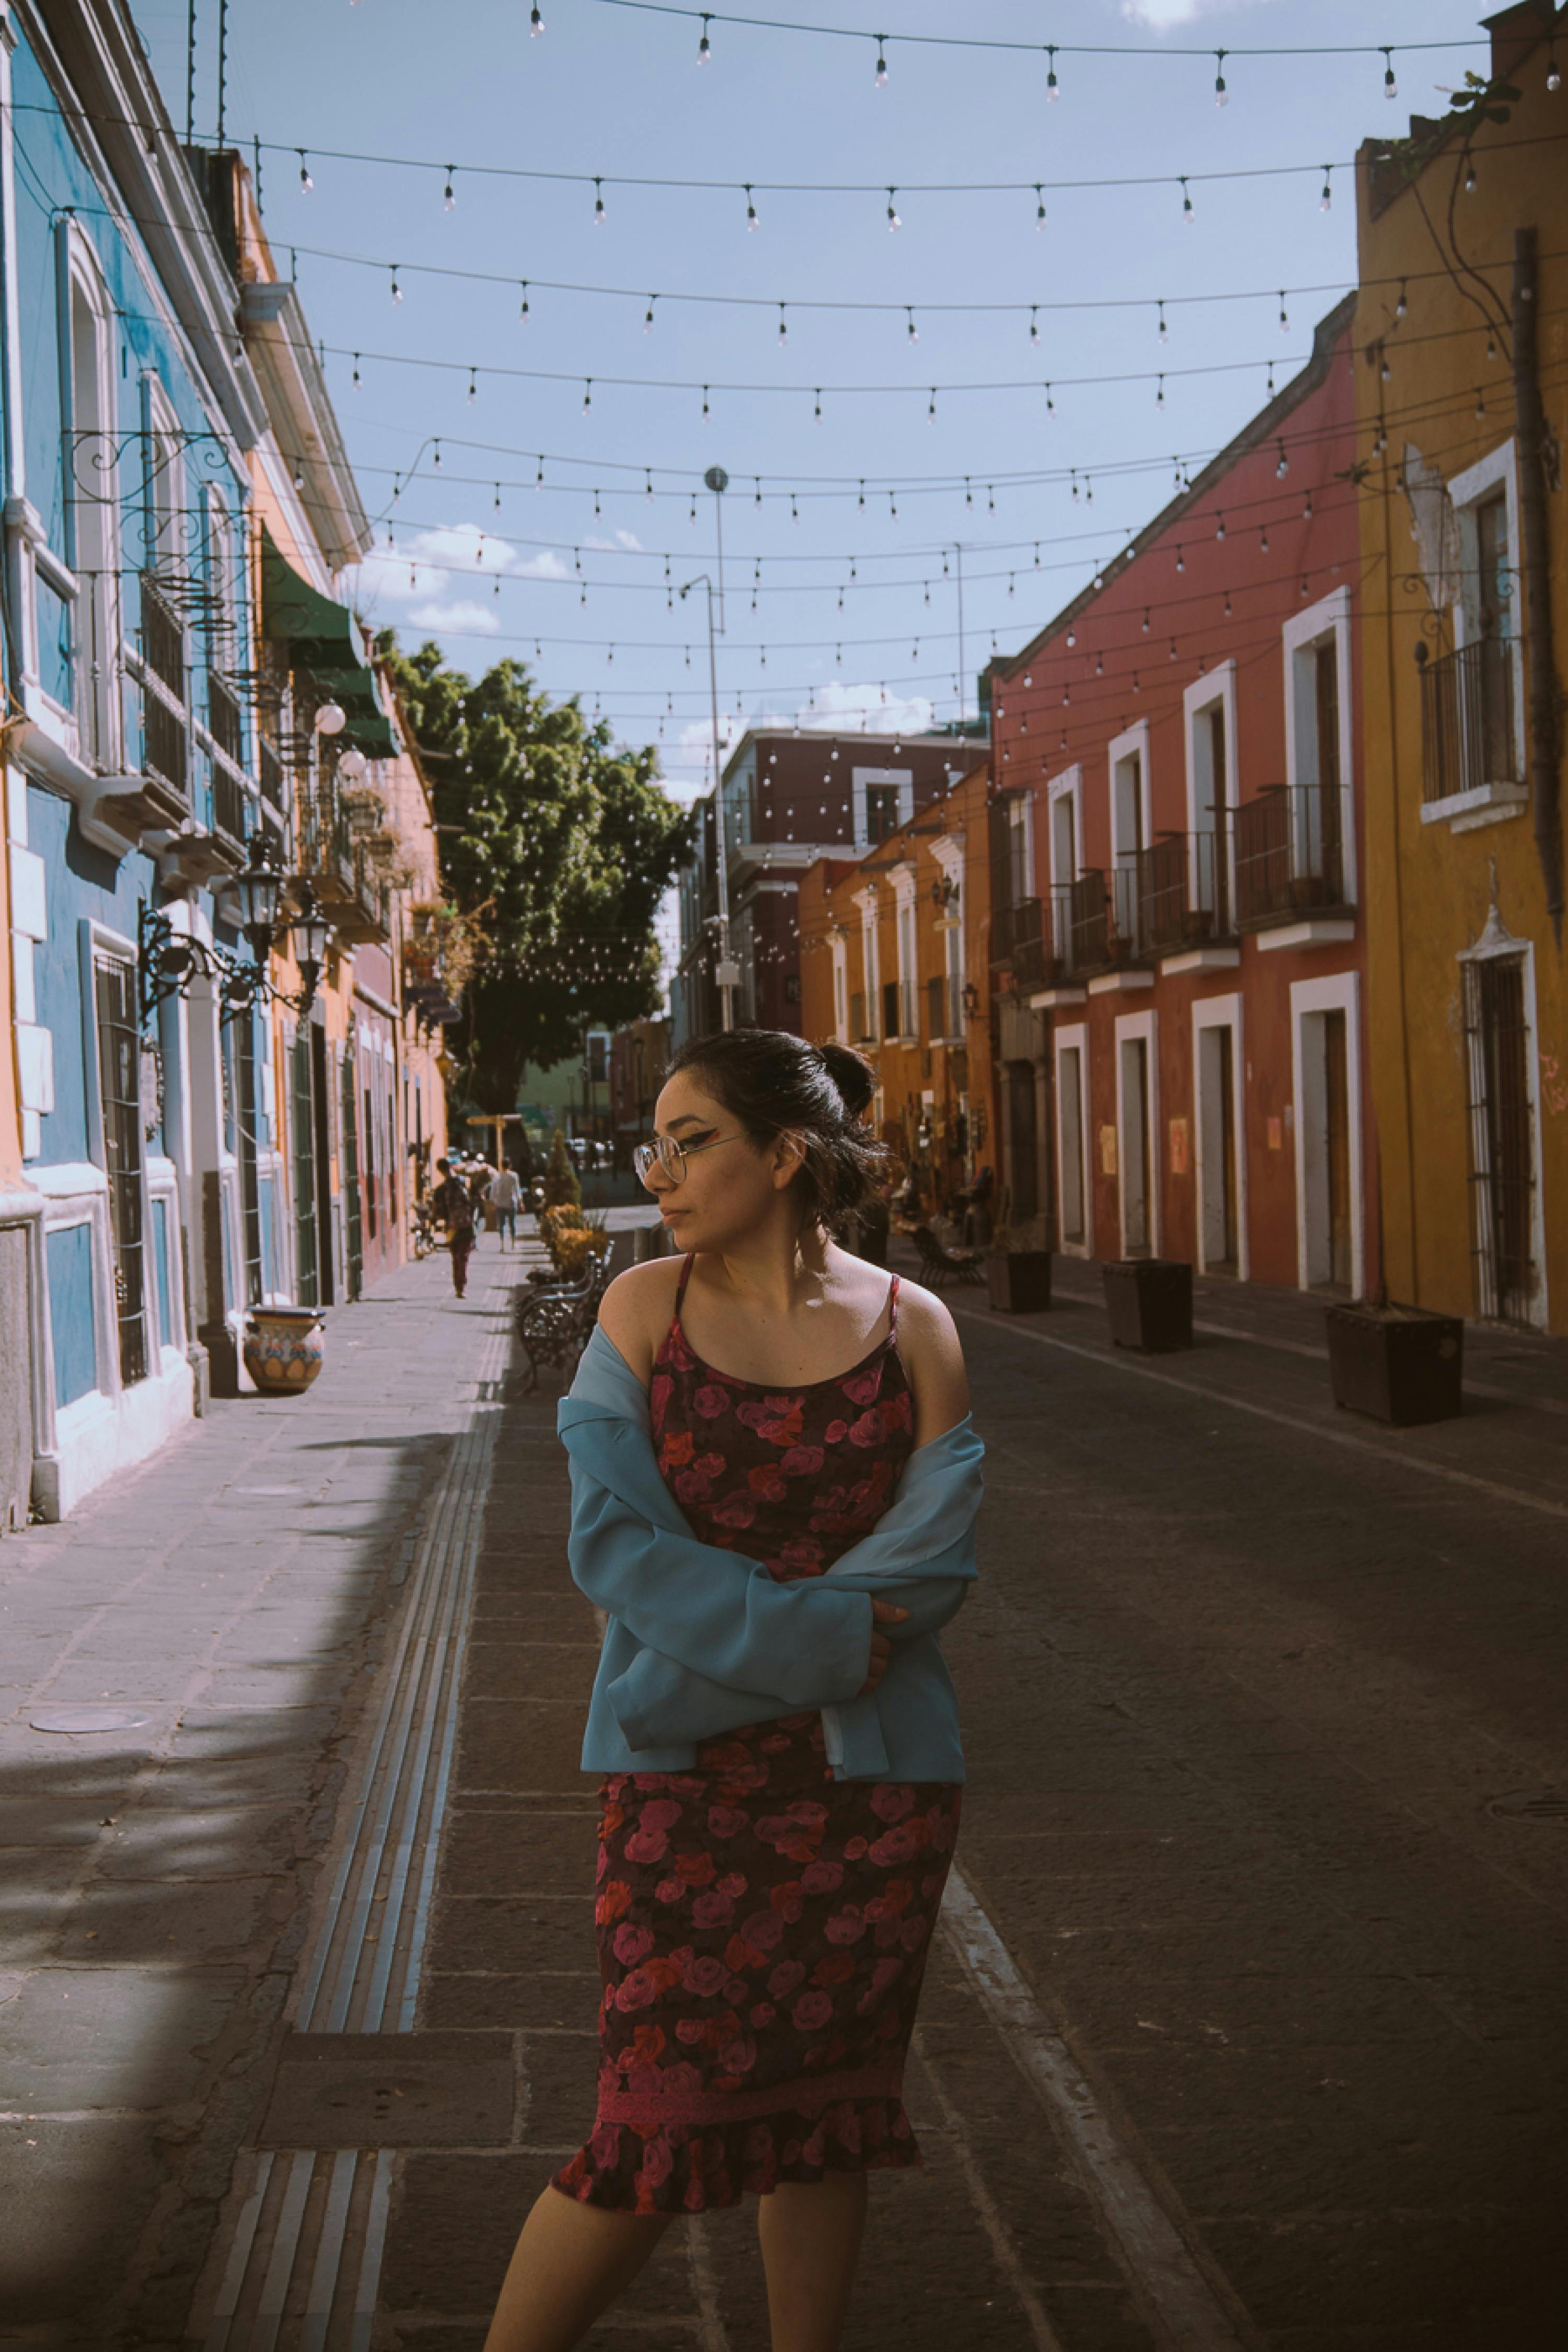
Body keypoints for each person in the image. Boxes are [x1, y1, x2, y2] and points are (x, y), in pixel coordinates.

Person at [482, 1030, 982, 2352]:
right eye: (658, 1139)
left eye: (692, 1137)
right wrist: (823, 1642)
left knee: (828, 2124)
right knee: (649, 2120)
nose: (661, 1168)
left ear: (785, 1152)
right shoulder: (640, 1308)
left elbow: (935, 1556)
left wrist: (786, 1636)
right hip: (685, 1784)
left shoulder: (913, 1324)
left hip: (871, 1796)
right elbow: (618, 1548)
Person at [431, 1156, 476, 1298]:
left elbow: (438, 1211)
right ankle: (460, 1287)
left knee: (456, 1257)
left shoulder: (440, 1190)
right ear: (452, 1167)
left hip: (452, 1227)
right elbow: (475, 1203)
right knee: (462, 1257)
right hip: (467, 1225)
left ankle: (459, 1287)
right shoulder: (465, 1183)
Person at [490, 1162, 523, 1251]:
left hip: (500, 1203)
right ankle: (513, 1243)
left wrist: (493, 1202)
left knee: (501, 1224)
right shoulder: (514, 1176)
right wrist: (521, 1202)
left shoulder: (497, 1177)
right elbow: (517, 1189)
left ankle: (502, 1245)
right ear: (510, 1166)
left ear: (501, 1166)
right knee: (512, 1224)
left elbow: (493, 1190)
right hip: (511, 1203)